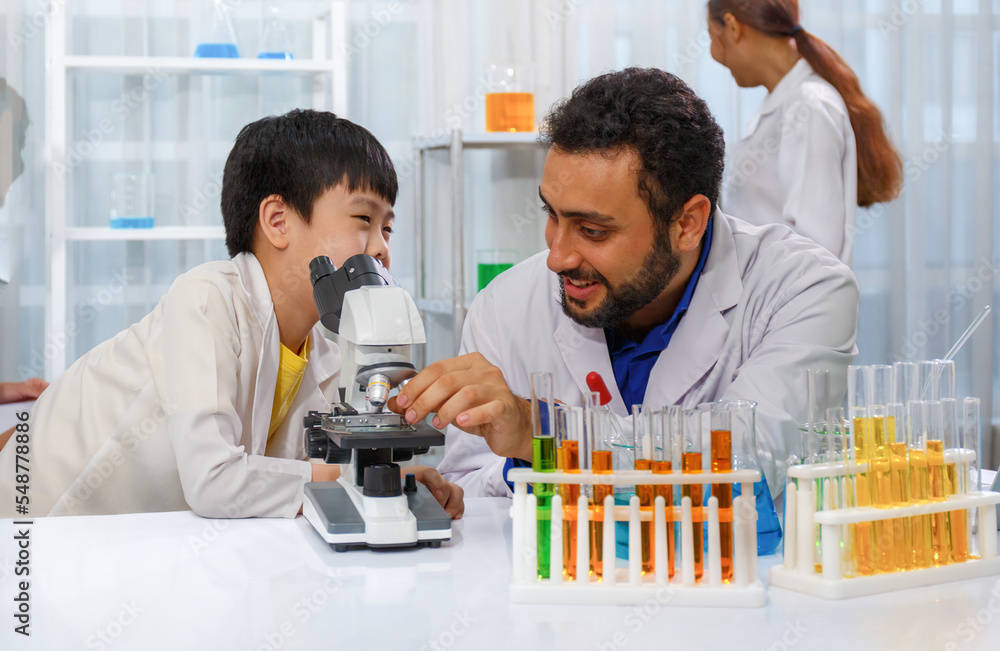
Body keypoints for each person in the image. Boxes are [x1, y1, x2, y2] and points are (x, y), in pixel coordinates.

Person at [388, 68, 858, 552]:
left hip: (732, 585)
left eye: (593, 231)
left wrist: (544, 435)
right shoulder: (505, 306)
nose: (557, 257)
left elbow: (745, 458)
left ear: (687, 223)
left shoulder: (802, 289)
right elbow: (470, 491)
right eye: (552, 215)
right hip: (557, 589)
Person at [0, 109, 463, 519]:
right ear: (278, 221)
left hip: (134, 541)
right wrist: (355, 481)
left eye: (388, 228)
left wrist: (396, 483)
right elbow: (216, 481)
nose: (381, 249)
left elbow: (293, 475)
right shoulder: (207, 298)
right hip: (37, 519)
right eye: (364, 220)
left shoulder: (323, 352)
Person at [707, 0, 902, 266]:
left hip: (791, 293)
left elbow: (816, 251)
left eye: (712, 37)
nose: (713, 54)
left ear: (732, 27)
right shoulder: (787, 106)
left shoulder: (809, 106)